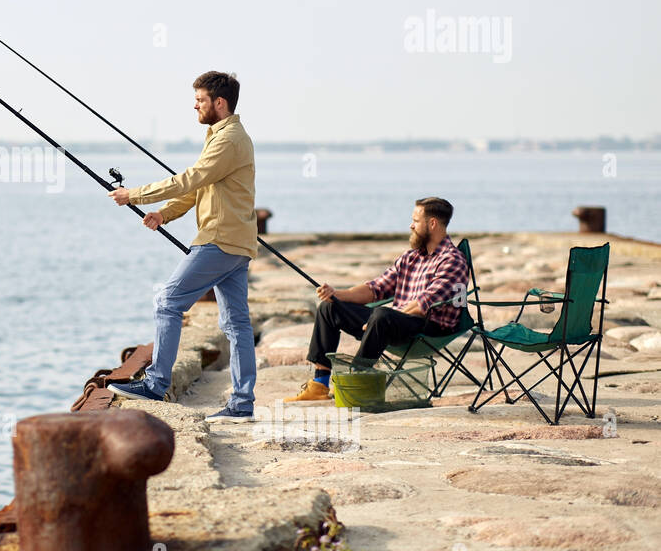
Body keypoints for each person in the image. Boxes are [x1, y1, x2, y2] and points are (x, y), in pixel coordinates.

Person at [106, 71, 257, 424]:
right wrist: (164, 214)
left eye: (200, 100)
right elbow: (199, 188)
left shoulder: (229, 139)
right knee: (236, 324)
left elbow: (189, 178)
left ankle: (155, 383)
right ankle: (241, 403)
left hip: (219, 240)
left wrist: (134, 195)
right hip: (237, 243)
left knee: (167, 301)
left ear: (219, 102)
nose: (195, 106)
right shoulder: (224, 137)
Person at [286, 197, 469, 402]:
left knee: (382, 315)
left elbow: (423, 305)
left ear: (432, 223)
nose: (411, 225)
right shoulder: (411, 257)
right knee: (329, 308)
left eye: (416, 221)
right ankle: (319, 385)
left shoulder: (452, 260)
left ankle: (356, 379)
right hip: (394, 322)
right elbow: (375, 289)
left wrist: (380, 319)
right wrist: (336, 294)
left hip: (428, 328)